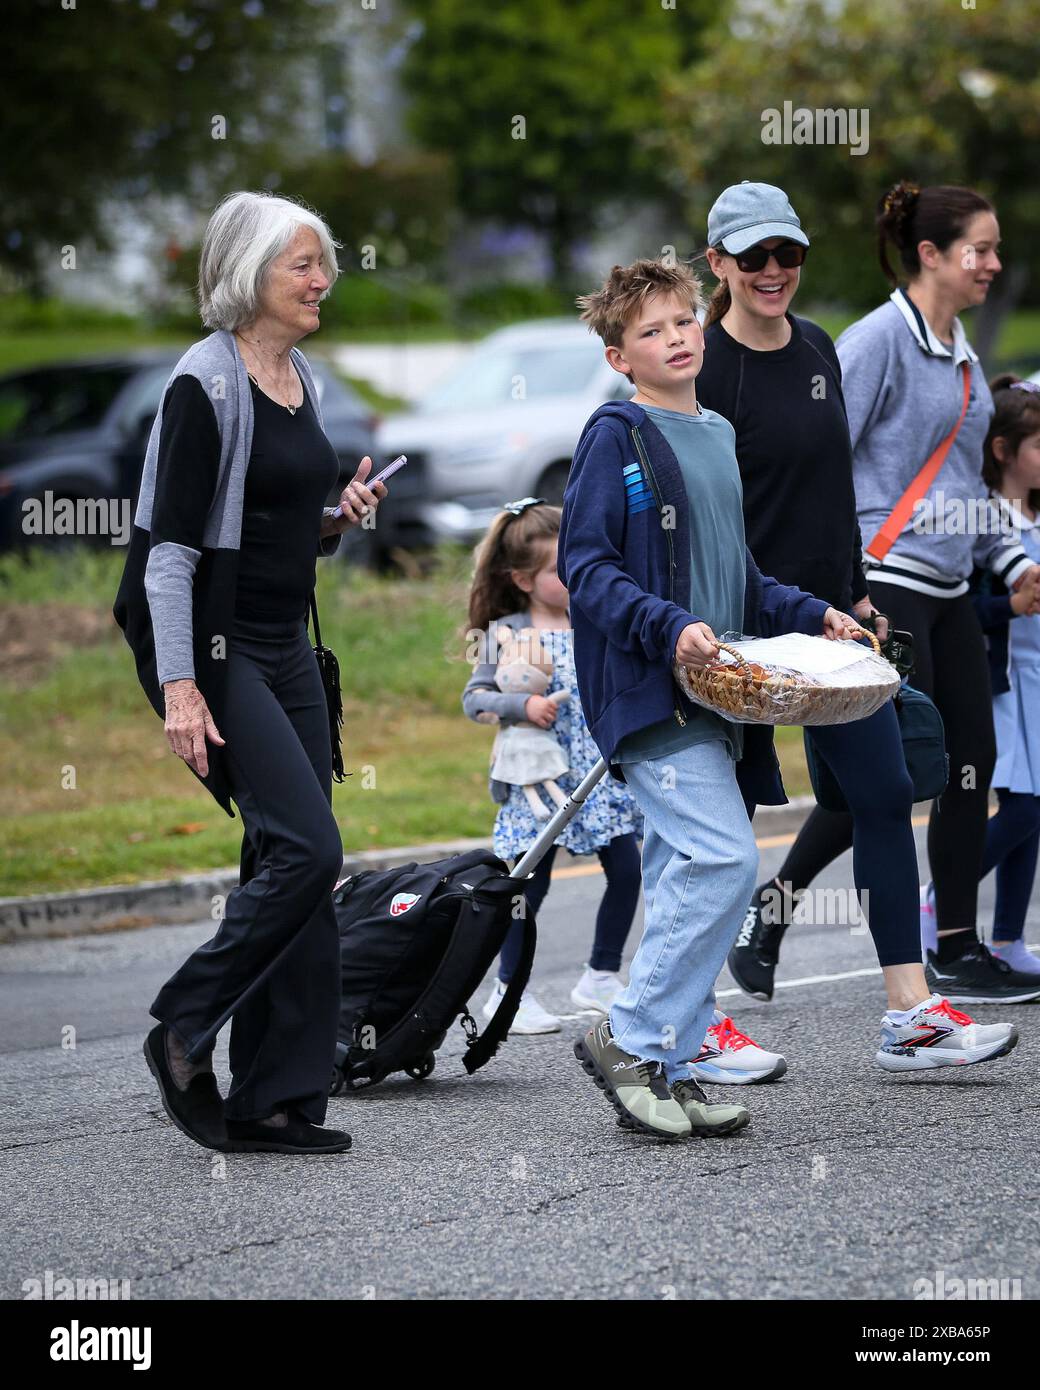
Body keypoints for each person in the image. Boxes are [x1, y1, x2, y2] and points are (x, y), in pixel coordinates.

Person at [560, 256, 900, 1143]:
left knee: (684, 870)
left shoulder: (714, 429)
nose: (675, 338)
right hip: (650, 691)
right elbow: (584, 567)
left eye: (682, 322)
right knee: (721, 863)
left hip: (720, 696)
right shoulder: (617, 437)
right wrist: (664, 626)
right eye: (650, 331)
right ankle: (630, 1036)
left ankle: (669, 1060)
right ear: (617, 356)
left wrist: (810, 610)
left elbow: (739, 579)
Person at [694, 181, 1018, 1077]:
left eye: (787, 255)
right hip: (732, 631)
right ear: (716, 263)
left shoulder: (816, 347)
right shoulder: (703, 366)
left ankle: (909, 1013)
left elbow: (838, 489)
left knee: (881, 795)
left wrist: (858, 593)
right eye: (752, 257)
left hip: (832, 620)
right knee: (714, 826)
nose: (772, 272)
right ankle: (687, 1023)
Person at [114, 191, 387, 1155]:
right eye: (302, 265)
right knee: (308, 848)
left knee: (296, 868)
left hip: (286, 644)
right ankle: (185, 1023)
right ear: (248, 274)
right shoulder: (206, 381)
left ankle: (275, 1099)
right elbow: (172, 557)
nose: (323, 280)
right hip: (219, 650)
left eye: (325, 263)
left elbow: (274, 520)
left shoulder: (299, 373)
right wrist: (181, 689)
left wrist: (333, 519)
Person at [462, 499, 643, 1033]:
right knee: (528, 887)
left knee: (627, 870)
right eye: (558, 570)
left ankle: (602, 974)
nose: (574, 575)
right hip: (539, 783)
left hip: (596, 778)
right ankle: (507, 992)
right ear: (522, 578)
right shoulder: (508, 632)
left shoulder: (592, 620)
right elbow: (475, 700)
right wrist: (522, 706)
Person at [967, 377, 1040, 975]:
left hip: (1038, 683)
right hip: (1005, 681)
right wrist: (1010, 608)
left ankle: (1011, 940)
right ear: (1002, 450)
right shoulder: (981, 518)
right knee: (1021, 808)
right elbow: (962, 610)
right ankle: (942, 901)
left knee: (1035, 810)